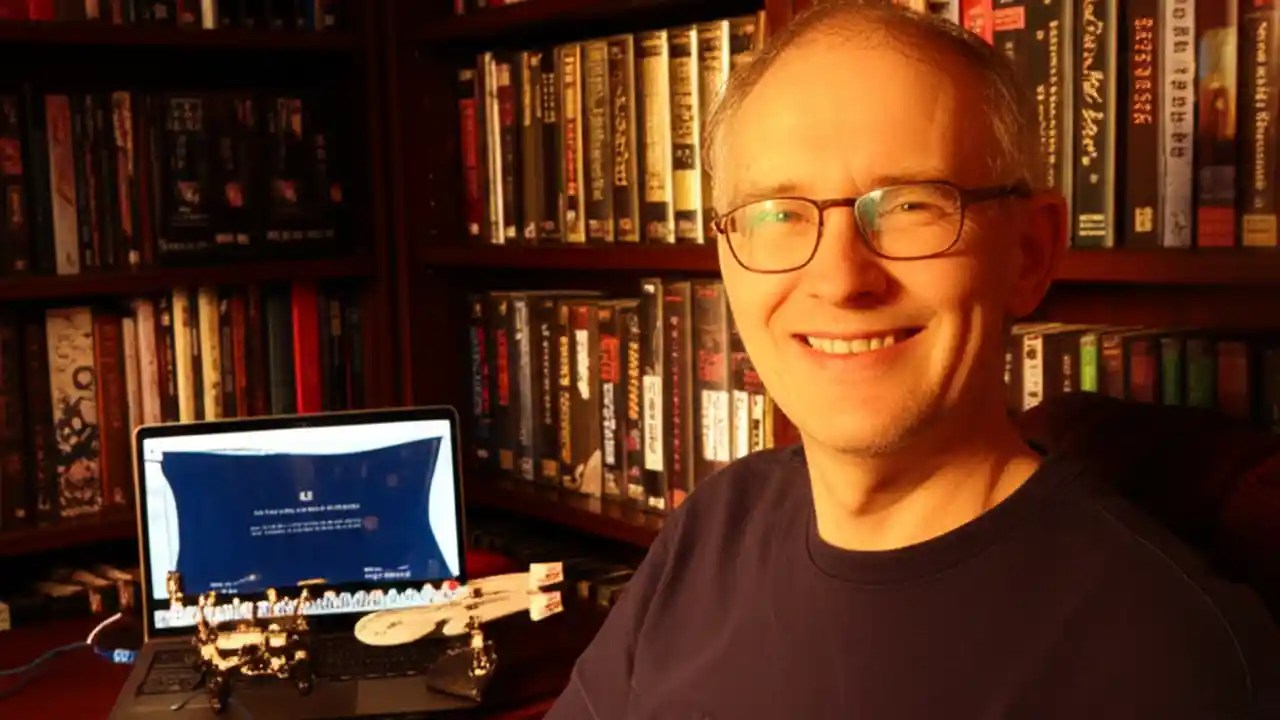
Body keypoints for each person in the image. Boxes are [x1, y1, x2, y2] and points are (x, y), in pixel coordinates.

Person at [544, 2, 1280, 718]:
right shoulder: (712, 528)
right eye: (777, 213)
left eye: (909, 205)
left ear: (1030, 253)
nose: (840, 279)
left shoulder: (1169, 659)